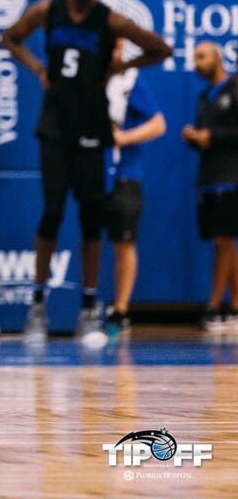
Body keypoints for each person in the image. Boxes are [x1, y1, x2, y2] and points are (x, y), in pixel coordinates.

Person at [2, 0, 171, 340]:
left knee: (91, 218)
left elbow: (161, 49)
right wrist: (38, 68)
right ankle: (38, 308)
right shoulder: (48, 10)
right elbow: (10, 38)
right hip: (55, 125)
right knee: (52, 212)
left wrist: (122, 66)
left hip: (93, 127)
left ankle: (90, 309)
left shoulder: (108, 20)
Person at [104, 37, 166, 337]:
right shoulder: (87, 78)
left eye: (118, 48)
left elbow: (158, 124)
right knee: (89, 237)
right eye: (109, 47)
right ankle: (88, 305)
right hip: (92, 171)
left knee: (124, 242)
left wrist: (123, 138)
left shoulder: (130, 80)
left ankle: (121, 309)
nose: (114, 54)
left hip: (124, 173)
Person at [182, 41, 238, 331]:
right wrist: (194, 138)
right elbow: (206, 139)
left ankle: (214, 307)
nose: (197, 63)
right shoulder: (204, 97)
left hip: (231, 178)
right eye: (194, 58)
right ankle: (236, 307)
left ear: (217, 58)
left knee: (223, 241)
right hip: (209, 178)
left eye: (202, 57)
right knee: (223, 242)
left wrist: (212, 136)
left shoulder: (235, 88)